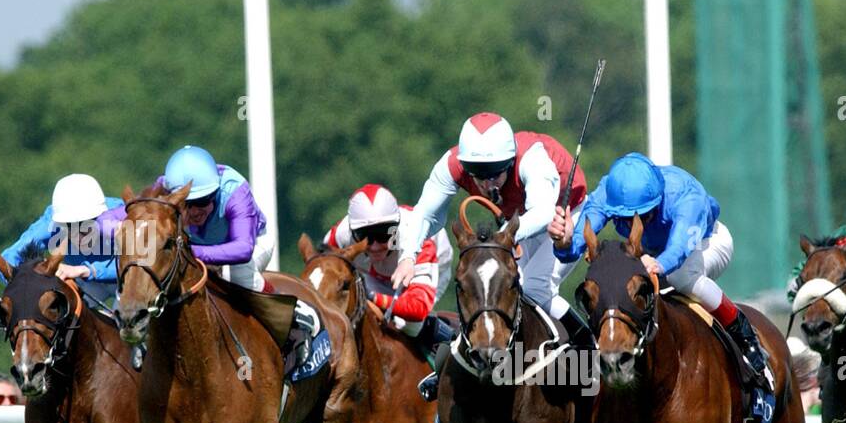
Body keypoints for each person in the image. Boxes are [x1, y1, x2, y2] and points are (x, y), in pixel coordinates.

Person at [551, 151, 775, 403]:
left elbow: (678, 250)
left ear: (657, 201)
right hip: (652, 254)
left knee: (681, 276)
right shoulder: (609, 193)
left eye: (642, 215)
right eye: (623, 218)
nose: (633, 222)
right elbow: (575, 248)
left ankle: (743, 333)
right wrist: (564, 241)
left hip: (705, 244)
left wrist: (656, 263)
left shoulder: (686, 196)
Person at [396, 113, 591, 399]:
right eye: (479, 175)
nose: (488, 185)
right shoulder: (452, 165)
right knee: (496, 286)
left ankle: (587, 345)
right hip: (516, 222)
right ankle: (459, 365)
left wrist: (505, 237)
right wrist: (408, 257)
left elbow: (542, 213)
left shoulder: (532, 159)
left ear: (510, 162)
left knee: (535, 286)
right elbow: (424, 214)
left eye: (496, 174)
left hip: (562, 215)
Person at [106, 145, 319, 373]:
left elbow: (242, 249)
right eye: (188, 204)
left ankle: (294, 318)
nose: (196, 211)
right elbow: (106, 219)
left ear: (215, 193)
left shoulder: (235, 191)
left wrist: (192, 254)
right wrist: (122, 230)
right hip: (192, 249)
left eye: (205, 201)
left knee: (236, 275)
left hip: (252, 243)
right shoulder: (163, 192)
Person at [321, 184, 454, 367]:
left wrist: (372, 297)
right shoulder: (339, 237)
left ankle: (442, 360)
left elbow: (417, 308)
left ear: (396, 227)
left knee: (408, 324)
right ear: (352, 232)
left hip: (429, 265)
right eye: (364, 236)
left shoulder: (417, 239)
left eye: (383, 235)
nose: (374, 246)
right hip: (373, 277)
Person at [0, 174, 122, 307]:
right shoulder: (50, 224)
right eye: (69, 225)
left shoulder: (122, 213)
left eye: (87, 223)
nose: (78, 234)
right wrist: (30, 280)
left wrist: (87, 270)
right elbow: (9, 259)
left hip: (126, 280)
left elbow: (143, 262)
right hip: (86, 283)